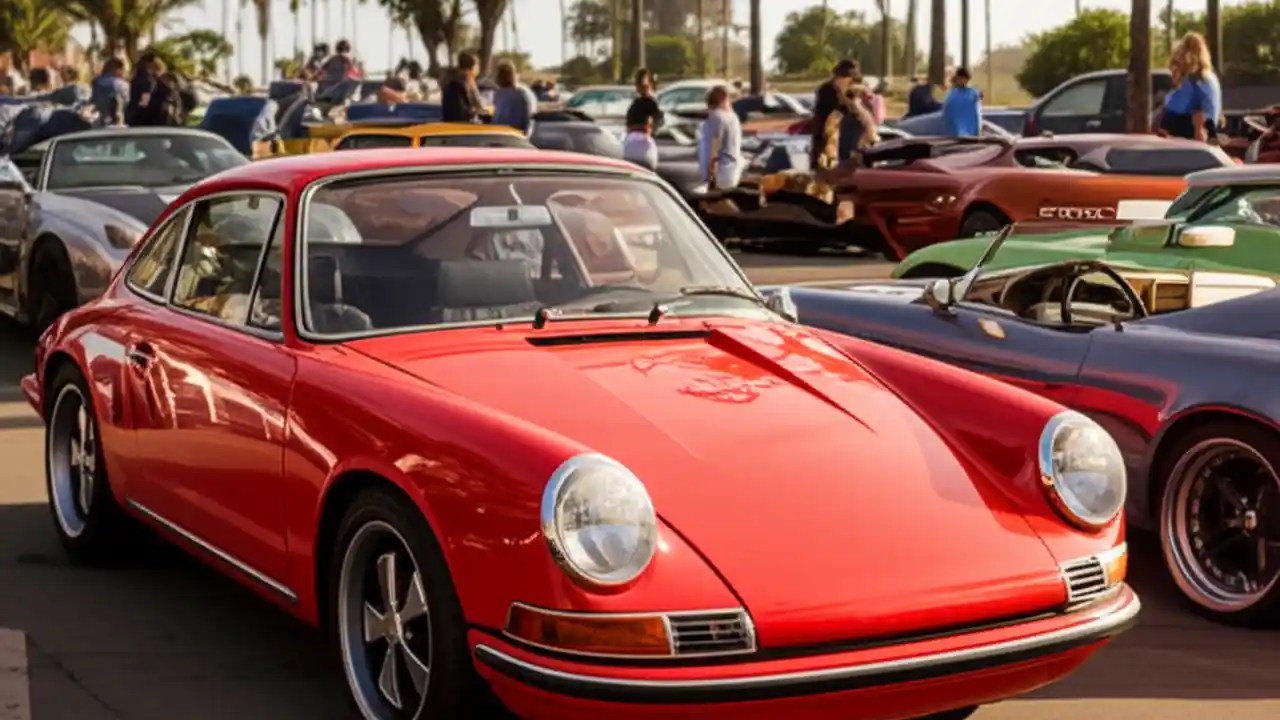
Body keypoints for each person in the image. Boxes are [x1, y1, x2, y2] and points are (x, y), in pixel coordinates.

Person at [1161, 32, 1223, 143]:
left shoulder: (1193, 80)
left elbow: (1172, 108)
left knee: (1166, 118)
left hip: (1192, 136)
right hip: (1210, 130)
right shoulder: (1211, 77)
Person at [810, 59, 860, 168]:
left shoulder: (850, 93)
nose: (852, 83)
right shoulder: (826, 90)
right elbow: (835, 112)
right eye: (850, 79)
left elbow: (855, 113)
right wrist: (842, 94)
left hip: (846, 143)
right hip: (827, 142)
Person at [698, 85, 744, 191]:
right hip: (732, 172)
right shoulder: (732, 117)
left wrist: (711, 177)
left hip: (720, 175)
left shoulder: (715, 118)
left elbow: (713, 149)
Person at [622, 67, 663, 170]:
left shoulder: (644, 102)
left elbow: (659, 118)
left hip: (636, 139)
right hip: (639, 139)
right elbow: (659, 119)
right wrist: (653, 129)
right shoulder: (644, 102)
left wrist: (652, 129)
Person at [491, 61, 537, 134]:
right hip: (524, 134)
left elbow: (498, 118)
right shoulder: (526, 90)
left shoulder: (502, 93)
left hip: (508, 134)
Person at [441, 52, 485, 123]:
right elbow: (478, 105)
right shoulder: (468, 80)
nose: (478, 68)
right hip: (464, 123)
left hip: (448, 122)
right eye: (478, 65)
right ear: (472, 67)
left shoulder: (450, 79)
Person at [942, 67, 982, 136]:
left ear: (967, 79)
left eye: (963, 78)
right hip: (956, 129)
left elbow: (978, 102)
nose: (962, 80)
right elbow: (948, 110)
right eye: (960, 78)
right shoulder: (952, 93)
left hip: (970, 129)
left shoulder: (972, 92)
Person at [126, 51, 164, 125]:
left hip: (135, 115)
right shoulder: (148, 81)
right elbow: (144, 102)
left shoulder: (136, 79)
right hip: (144, 118)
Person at [91, 58, 130, 126]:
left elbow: (93, 99)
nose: (123, 72)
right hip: (117, 117)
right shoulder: (122, 84)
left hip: (99, 117)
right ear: (117, 70)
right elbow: (126, 101)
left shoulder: (95, 82)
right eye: (122, 70)